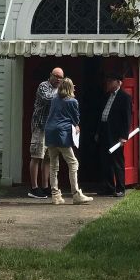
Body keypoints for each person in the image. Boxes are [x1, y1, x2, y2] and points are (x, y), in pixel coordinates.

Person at [44, 77, 92, 205]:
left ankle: (55, 195)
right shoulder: (72, 101)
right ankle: (76, 194)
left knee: (54, 165)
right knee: (73, 163)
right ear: (70, 88)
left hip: (50, 132)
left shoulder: (54, 100)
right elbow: (75, 118)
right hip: (62, 133)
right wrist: (76, 125)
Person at [97, 71, 132, 196]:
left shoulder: (124, 97)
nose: (108, 83)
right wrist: (98, 132)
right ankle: (109, 187)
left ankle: (120, 188)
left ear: (118, 82)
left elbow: (127, 118)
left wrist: (123, 136)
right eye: (107, 81)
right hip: (105, 131)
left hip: (116, 134)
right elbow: (102, 115)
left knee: (117, 161)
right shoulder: (106, 96)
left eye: (110, 81)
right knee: (105, 161)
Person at [28, 67, 60, 199]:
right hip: (40, 126)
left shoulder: (59, 89)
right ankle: (34, 188)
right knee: (36, 156)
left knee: (48, 158)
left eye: (61, 77)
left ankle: (45, 187)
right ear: (51, 75)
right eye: (56, 76)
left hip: (51, 128)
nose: (58, 79)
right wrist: (63, 93)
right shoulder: (43, 86)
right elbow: (48, 99)